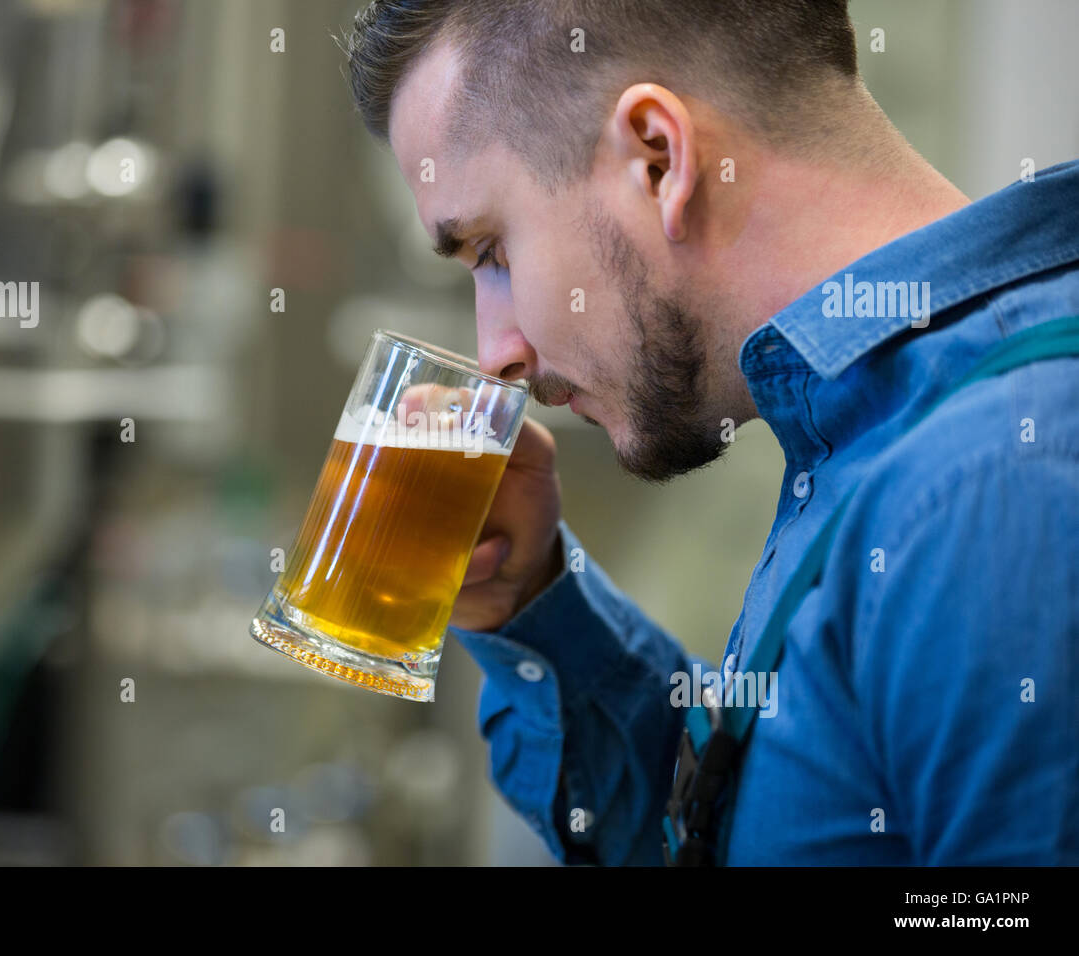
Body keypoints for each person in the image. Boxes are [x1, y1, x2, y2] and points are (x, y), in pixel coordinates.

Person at [341, 0, 1079, 864]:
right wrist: (534, 601)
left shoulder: (997, 487)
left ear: (657, 157)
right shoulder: (883, 431)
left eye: (493, 252)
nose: (496, 353)